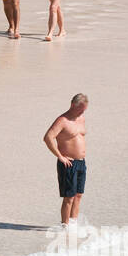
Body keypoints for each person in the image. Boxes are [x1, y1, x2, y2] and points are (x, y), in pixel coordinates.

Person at [42, 93, 88, 224]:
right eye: (81, 109)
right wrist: (60, 156)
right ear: (73, 105)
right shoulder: (62, 120)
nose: (82, 112)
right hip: (68, 163)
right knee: (69, 197)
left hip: (81, 162)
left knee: (78, 195)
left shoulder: (81, 119)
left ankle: (73, 225)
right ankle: (65, 226)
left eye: (84, 109)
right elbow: (48, 137)